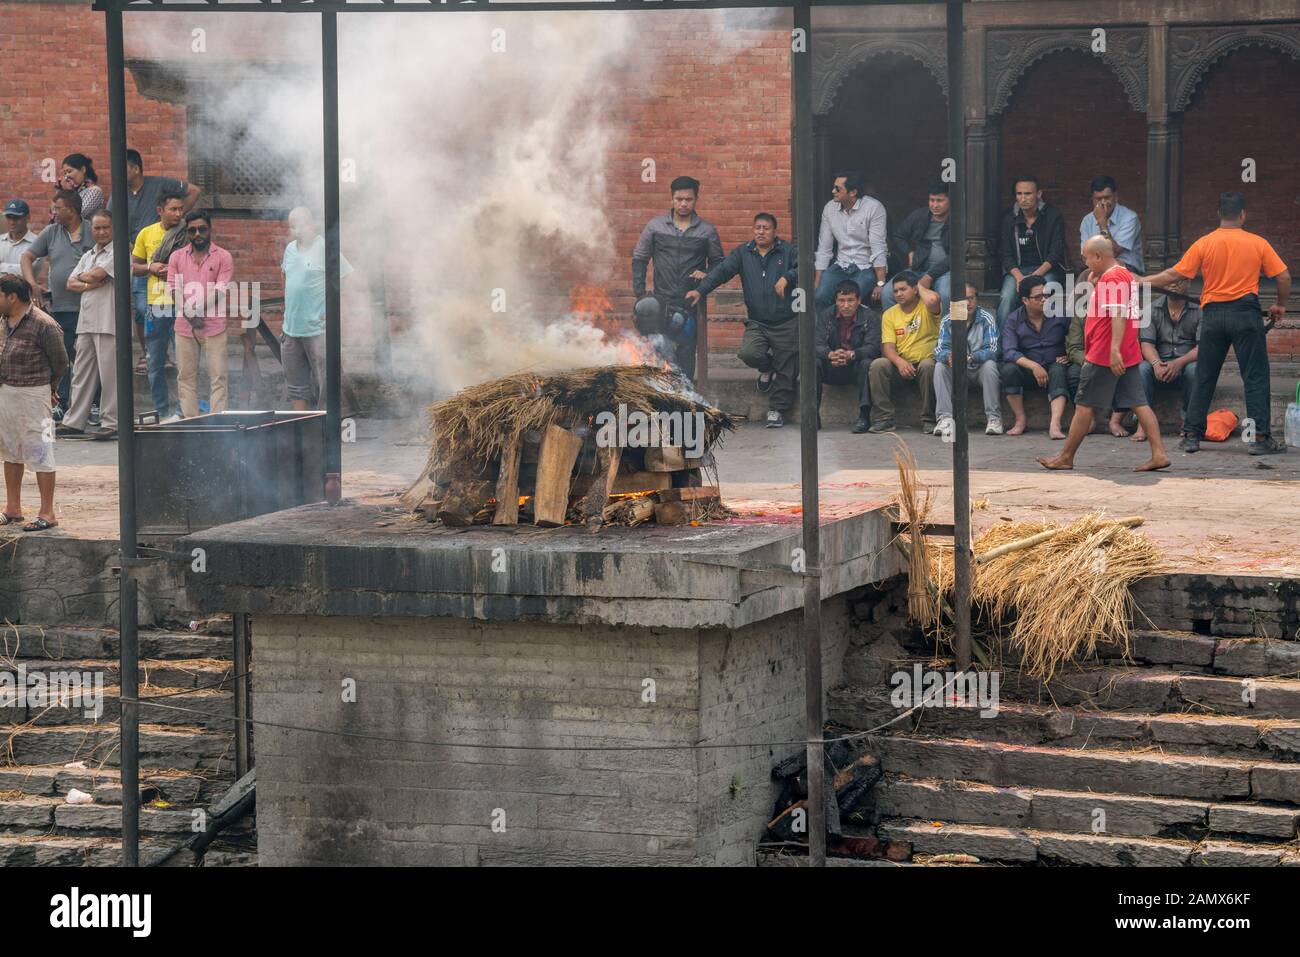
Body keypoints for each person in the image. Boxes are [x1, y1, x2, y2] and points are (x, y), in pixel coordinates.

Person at [1142, 192, 1291, 456]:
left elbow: (1174, 274)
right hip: (1245, 314)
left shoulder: (1204, 243)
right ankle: (1259, 438)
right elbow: (1283, 277)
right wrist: (1279, 304)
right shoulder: (1257, 243)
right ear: (1243, 214)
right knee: (1254, 377)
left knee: (1204, 376)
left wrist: (1141, 281)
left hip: (1212, 316)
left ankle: (1191, 436)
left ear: (1218, 214)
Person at [1037, 235, 1168, 472]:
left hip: (1105, 353)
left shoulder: (1115, 277)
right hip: (1123, 351)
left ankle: (1066, 456)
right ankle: (1159, 453)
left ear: (1098, 256)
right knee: (1139, 402)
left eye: (1087, 257)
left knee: (1084, 404)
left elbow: (1118, 314)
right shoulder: (1122, 274)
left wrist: (1114, 349)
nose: (1085, 262)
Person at [688, 213, 799, 428]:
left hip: (786, 321)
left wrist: (787, 277)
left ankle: (777, 410)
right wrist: (700, 291)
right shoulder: (743, 253)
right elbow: (721, 272)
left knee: (787, 371)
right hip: (758, 322)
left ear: (774, 232)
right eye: (757, 227)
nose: (761, 231)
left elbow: (805, 266)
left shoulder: (787, 251)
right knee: (749, 353)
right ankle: (767, 369)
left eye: (766, 228)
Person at [109, 149, 200, 376]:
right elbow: (111, 223)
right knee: (141, 310)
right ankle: (149, 353)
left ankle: (173, 354)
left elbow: (194, 191)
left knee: (173, 308)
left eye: (122, 167)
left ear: (136, 168)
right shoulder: (118, 194)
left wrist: (176, 219)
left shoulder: (159, 184)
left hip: (170, 259)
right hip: (140, 257)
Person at [630, 176, 723, 381]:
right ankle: (659, 401)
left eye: (688, 199)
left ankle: (685, 400)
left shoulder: (706, 231)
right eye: (679, 199)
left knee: (685, 355)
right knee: (658, 353)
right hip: (660, 302)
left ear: (696, 199)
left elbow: (719, 264)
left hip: (690, 302)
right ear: (671, 199)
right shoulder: (655, 227)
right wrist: (640, 294)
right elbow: (640, 258)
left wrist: (705, 276)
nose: (683, 203)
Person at [0, 275, 68, 531]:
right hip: (7, 393)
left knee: (42, 452)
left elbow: (61, 362)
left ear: (11, 297)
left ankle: (47, 512)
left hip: (35, 395)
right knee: (10, 452)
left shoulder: (43, 323)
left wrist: (50, 388)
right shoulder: (4, 321)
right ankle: (13, 508)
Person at [281, 206, 360, 417]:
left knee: (326, 382)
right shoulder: (289, 249)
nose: (299, 229)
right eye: (294, 225)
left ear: (313, 224)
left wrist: (333, 310)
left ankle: (328, 428)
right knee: (296, 384)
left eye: (303, 224)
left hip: (318, 328)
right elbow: (288, 279)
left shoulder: (326, 248)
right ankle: (302, 424)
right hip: (291, 329)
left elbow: (345, 277)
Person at [20, 190, 92, 417]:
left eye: (57, 208)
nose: (54, 213)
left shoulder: (93, 229)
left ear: (71, 209)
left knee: (89, 358)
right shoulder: (52, 232)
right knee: (63, 357)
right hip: (61, 307)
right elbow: (26, 257)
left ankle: (93, 405)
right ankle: (62, 403)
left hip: (90, 307)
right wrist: (32, 284)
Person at [168, 210, 232, 419]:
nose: (198, 234)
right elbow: (173, 288)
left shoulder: (223, 256)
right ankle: (192, 423)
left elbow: (221, 289)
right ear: (187, 232)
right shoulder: (177, 257)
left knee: (218, 377)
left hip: (214, 325)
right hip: (184, 326)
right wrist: (187, 312)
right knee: (185, 377)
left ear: (210, 229)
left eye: (202, 229)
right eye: (192, 230)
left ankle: (217, 423)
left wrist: (194, 309)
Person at [59, 211, 117, 439]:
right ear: (91, 230)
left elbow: (97, 275)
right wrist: (88, 281)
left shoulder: (120, 251)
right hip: (86, 321)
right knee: (81, 373)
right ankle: (75, 421)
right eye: (97, 228)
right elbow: (70, 282)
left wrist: (85, 278)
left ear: (113, 228)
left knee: (110, 375)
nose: (101, 232)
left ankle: (111, 422)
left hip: (109, 321)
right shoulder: (89, 254)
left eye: (105, 228)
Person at [132, 190, 188, 419]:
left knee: (184, 362)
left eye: (180, 209)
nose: (178, 214)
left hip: (182, 304)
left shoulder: (187, 233)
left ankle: (184, 410)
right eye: (173, 209)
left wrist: (175, 271)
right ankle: (162, 411)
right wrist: (151, 268)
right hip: (156, 306)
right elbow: (134, 266)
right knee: (154, 363)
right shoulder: (146, 234)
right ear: (160, 211)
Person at [867, 270, 941, 433]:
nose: (898, 294)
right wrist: (900, 362)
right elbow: (888, 347)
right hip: (901, 365)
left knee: (929, 366)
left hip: (924, 363)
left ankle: (930, 418)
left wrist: (920, 286)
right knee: (878, 365)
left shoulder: (927, 308)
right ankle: (884, 418)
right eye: (895, 291)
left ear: (915, 290)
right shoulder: (889, 314)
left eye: (903, 289)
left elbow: (933, 299)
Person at [1001, 275, 1071, 437]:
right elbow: (1009, 351)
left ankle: (1055, 424)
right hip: (1029, 370)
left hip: (1055, 364)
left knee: (1058, 370)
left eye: (1046, 295)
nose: (1044, 300)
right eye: (1038, 297)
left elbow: (1077, 336)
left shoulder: (1060, 314)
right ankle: (1020, 420)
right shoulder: (1014, 319)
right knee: (1009, 370)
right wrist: (1033, 366)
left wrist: (1070, 354)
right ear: (1025, 300)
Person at [997, 175, 1068, 326]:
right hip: (1018, 272)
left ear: (1039, 194)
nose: (1023, 198)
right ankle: (1003, 346)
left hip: (1046, 270)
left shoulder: (1052, 216)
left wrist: (1035, 277)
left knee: (1046, 293)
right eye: (1019, 194)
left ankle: (1051, 341)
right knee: (1006, 297)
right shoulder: (1009, 218)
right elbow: (1006, 254)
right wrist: (1019, 278)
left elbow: (1056, 252)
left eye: (1028, 194)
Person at [1135, 277, 1200, 442]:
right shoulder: (1150, 309)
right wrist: (1156, 364)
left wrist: (1179, 363)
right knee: (1141, 369)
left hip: (1186, 362)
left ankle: (1189, 423)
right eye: (1169, 281)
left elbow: (1203, 348)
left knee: (1195, 370)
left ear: (1188, 284)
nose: (1173, 284)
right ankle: (1143, 424)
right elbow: (1146, 344)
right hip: (1160, 362)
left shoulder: (1199, 310)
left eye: (1179, 281)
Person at [933, 281, 1002, 436]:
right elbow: (939, 349)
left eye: (971, 298)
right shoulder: (948, 320)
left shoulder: (987, 318)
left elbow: (993, 350)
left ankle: (994, 419)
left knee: (990, 365)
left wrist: (970, 358)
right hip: (956, 368)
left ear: (977, 300)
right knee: (939, 366)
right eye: (963, 299)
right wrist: (948, 356)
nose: (968, 303)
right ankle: (945, 420)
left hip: (978, 368)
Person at [814, 170, 887, 311]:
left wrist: (881, 283)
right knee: (820, 297)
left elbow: (878, 247)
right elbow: (824, 249)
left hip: (866, 267)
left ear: (852, 192)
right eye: (834, 187)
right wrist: (817, 283)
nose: (833, 191)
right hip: (840, 265)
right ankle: (824, 333)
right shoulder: (829, 208)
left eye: (838, 188)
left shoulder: (873, 208)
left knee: (850, 300)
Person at [814, 280, 880, 433]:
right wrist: (830, 354)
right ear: (836, 301)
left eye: (850, 300)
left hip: (855, 367)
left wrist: (852, 355)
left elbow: (873, 347)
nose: (846, 305)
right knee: (813, 363)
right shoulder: (826, 316)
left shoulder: (870, 317)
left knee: (867, 363)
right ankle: (812, 414)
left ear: (859, 300)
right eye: (841, 301)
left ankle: (864, 416)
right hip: (832, 365)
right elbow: (816, 344)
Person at [886, 180, 952, 312]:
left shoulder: (957, 220)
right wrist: (909, 252)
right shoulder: (920, 216)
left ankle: (944, 332)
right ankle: (899, 329)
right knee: (887, 293)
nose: (934, 205)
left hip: (945, 271)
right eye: (931, 200)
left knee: (945, 296)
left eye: (939, 201)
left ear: (950, 200)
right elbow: (899, 235)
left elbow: (957, 254)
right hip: (918, 267)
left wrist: (930, 276)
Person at [1066, 306, 1131, 438]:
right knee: (1073, 373)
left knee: (1128, 374)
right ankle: (1088, 419)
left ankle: (1115, 420)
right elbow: (1074, 348)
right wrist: (1091, 361)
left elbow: (1132, 340)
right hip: (1089, 358)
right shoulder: (1081, 314)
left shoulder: (1123, 310)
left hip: (1119, 357)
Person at [1079, 175, 1144, 274]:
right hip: (1096, 268)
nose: (1103, 203)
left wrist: (1102, 223)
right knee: (1084, 277)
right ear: (1092, 200)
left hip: (1127, 268)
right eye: (1098, 199)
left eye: (1107, 197)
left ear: (1116, 197)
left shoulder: (1130, 218)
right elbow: (1085, 257)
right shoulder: (1087, 220)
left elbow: (1114, 252)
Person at [58, 155, 105, 226]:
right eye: (65, 173)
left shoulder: (94, 191)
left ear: (83, 170)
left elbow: (75, 215)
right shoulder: (74, 190)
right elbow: (56, 212)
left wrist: (68, 192)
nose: (67, 176)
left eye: (69, 171)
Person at [1, 200, 39, 277]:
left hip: (25, 289)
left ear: (28, 218)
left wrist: (2, 266)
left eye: (16, 218)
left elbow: (31, 271)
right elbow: (25, 269)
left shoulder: (37, 243)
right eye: (9, 217)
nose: (12, 222)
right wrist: (21, 267)